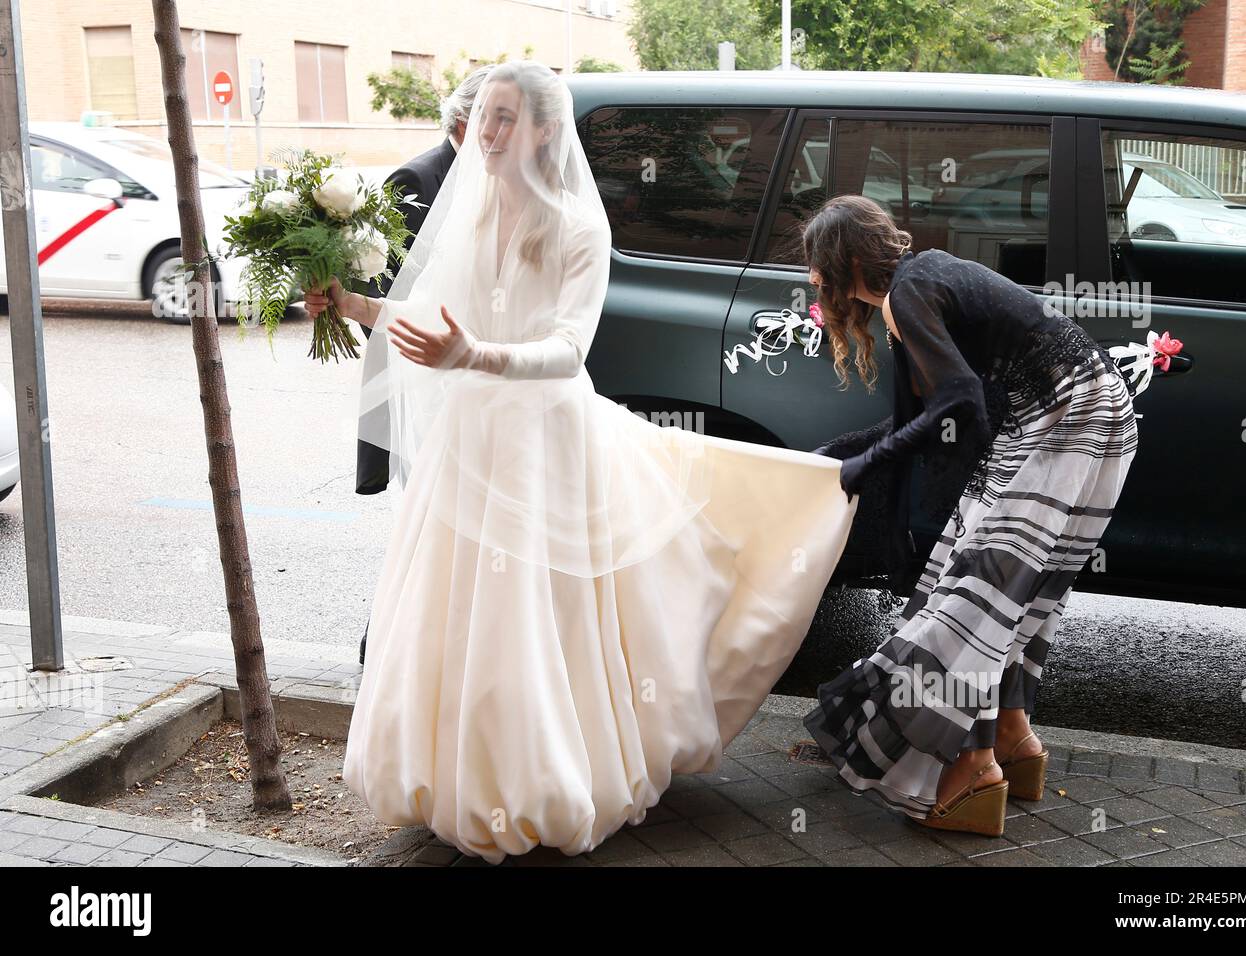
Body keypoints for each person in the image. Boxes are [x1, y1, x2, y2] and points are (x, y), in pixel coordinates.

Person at [304, 60, 858, 863]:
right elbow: (426, 316)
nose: (487, 132)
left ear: (542, 130)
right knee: (456, 611)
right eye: (484, 116)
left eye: (505, 117)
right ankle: (455, 776)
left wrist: (476, 354)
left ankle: (541, 779)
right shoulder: (473, 213)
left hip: (545, 441)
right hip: (470, 439)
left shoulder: (576, 227)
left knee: (535, 615)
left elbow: (568, 350)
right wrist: (349, 303)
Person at [800, 194, 1139, 837]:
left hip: (1062, 418)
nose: (812, 277)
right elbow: (924, 419)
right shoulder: (923, 279)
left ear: (844, 264)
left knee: (974, 597)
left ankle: (977, 767)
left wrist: (865, 464)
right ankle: (1013, 737)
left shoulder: (908, 293)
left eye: (817, 262)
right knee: (1001, 592)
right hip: (1092, 410)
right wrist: (840, 458)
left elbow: (957, 404)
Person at [353, 66, 492, 667]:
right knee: (428, 514)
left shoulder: (497, 181)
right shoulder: (416, 179)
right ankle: (390, 650)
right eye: (492, 120)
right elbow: (380, 282)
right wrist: (421, 354)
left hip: (477, 374)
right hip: (423, 375)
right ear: (462, 122)